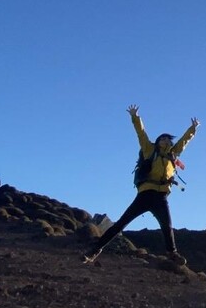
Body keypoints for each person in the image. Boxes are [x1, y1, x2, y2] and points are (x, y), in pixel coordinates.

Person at [84, 105, 197, 266]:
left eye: (167, 139)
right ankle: (94, 250)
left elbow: (184, 141)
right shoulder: (149, 149)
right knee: (121, 223)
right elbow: (141, 134)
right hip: (145, 194)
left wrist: (193, 128)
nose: (165, 140)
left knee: (167, 226)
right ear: (157, 141)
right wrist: (135, 117)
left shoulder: (173, 154)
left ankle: (172, 253)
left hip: (161, 197)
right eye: (162, 138)